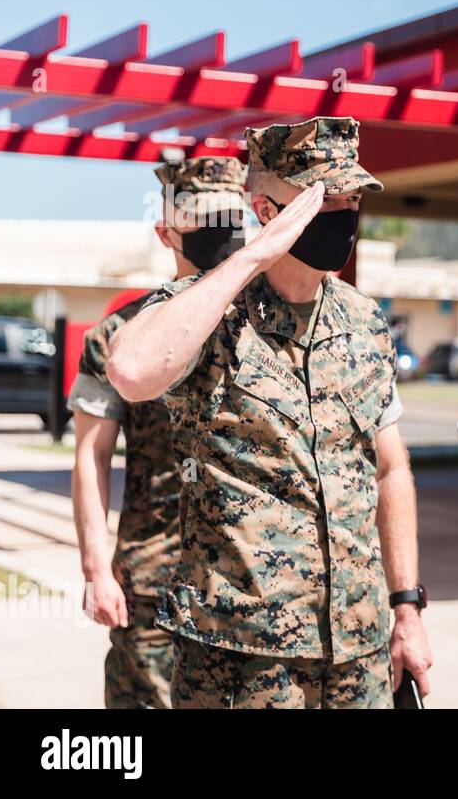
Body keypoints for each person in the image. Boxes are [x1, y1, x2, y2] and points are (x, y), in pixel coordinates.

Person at [106, 117, 433, 708]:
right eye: (318, 200)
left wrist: (406, 608)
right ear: (264, 207)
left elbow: (390, 470)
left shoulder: (365, 321)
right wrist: (252, 257)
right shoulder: (208, 312)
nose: (340, 214)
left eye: (349, 198)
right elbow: (132, 372)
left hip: (358, 653)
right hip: (242, 662)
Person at [69, 156, 248, 708]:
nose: (221, 231)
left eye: (230, 217)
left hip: (255, 583)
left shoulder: (268, 325)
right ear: (166, 230)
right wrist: (98, 570)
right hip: (155, 582)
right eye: (203, 219)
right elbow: (90, 456)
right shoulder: (121, 336)